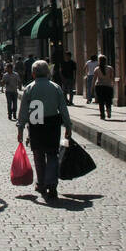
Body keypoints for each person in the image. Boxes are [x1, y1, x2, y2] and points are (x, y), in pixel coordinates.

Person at [18, 60, 72, 202]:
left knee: (38, 155)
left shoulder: (29, 88)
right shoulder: (56, 88)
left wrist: (20, 129)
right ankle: (52, 185)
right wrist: (68, 126)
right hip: (52, 124)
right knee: (52, 154)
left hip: (36, 124)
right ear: (47, 72)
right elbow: (63, 109)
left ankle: (41, 183)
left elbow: (23, 111)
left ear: (33, 73)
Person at [92, 54, 115, 120]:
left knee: (101, 101)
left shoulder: (97, 69)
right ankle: (109, 111)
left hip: (99, 87)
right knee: (108, 100)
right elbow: (112, 78)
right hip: (108, 86)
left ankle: (102, 115)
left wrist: (92, 88)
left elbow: (94, 79)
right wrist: (112, 85)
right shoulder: (110, 68)